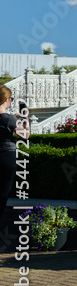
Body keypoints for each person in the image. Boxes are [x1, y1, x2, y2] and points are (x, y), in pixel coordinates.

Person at [0, 85, 25, 234]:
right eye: (11, 99)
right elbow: (25, 135)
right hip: (6, 158)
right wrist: (25, 118)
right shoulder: (8, 118)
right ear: (7, 99)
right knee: (2, 196)